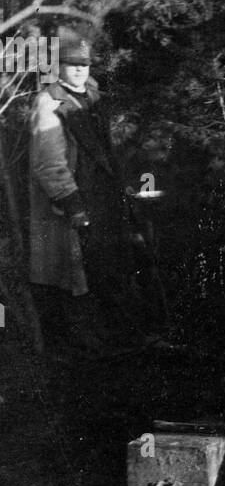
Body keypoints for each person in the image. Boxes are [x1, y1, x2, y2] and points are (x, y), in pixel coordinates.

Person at [28, 31, 146, 351]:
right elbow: (49, 163)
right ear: (59, 66)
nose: (80, 69)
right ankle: (81, 345)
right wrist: (73, 204)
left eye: (85, 64)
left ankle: (118, 336)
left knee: (108, 265)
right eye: (72, 64)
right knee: (73, 273)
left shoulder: (93, 97)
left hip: (104, 196)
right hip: (72, 200)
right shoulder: (49, 102)